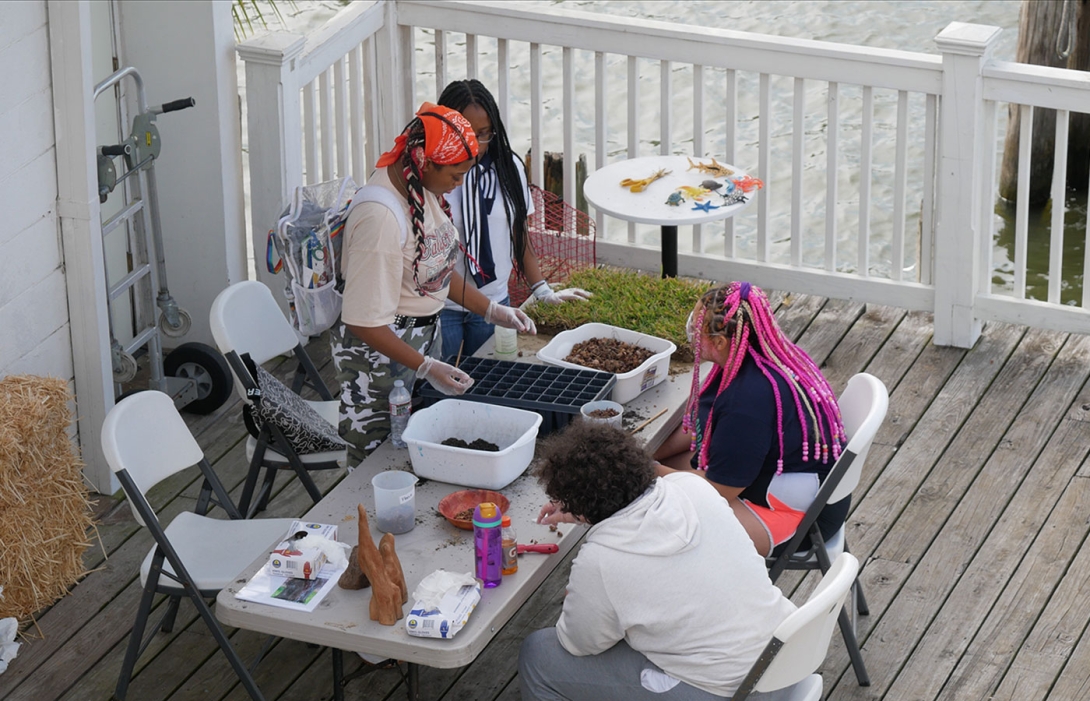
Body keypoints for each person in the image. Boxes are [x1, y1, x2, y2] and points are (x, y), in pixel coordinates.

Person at [521, 421, 798, 701]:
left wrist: (588, 599)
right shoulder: (691, 487)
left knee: (538, 655)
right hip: (785, 660)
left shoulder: (600, 560)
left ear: (579, 506)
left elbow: (578, 643)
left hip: (727, 691)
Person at [333, 102, 536, 466]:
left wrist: (491, 310)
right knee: (382, 463)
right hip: (380, 361)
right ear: (425, 162)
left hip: (423, 341)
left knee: (425, 451)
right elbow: (362, 321)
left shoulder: (419, 186)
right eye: (456, 176)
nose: (460, 184)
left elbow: (435, 270)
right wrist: (426, 366)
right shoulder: (379, 219)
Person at [653, 281, 846, 557]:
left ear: (720, 342)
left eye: (696, 327)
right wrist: (647, 453)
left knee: (657, 513)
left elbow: (718, 491)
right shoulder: (760, 356)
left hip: (800, 517)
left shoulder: (746, 403)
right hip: (792, 482)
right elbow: (703, 427)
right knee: (659, 478)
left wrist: (646, 470)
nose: (690, 331)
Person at [436, 79, 590, 357]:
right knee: (436, 385)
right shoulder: (435, 176)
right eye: (466, 133)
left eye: (484, 133)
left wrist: (542, 290)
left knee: (488, 381)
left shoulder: (509, 167)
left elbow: (519, 234)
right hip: (440, 305)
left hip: (495, 301)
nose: (476, 144)